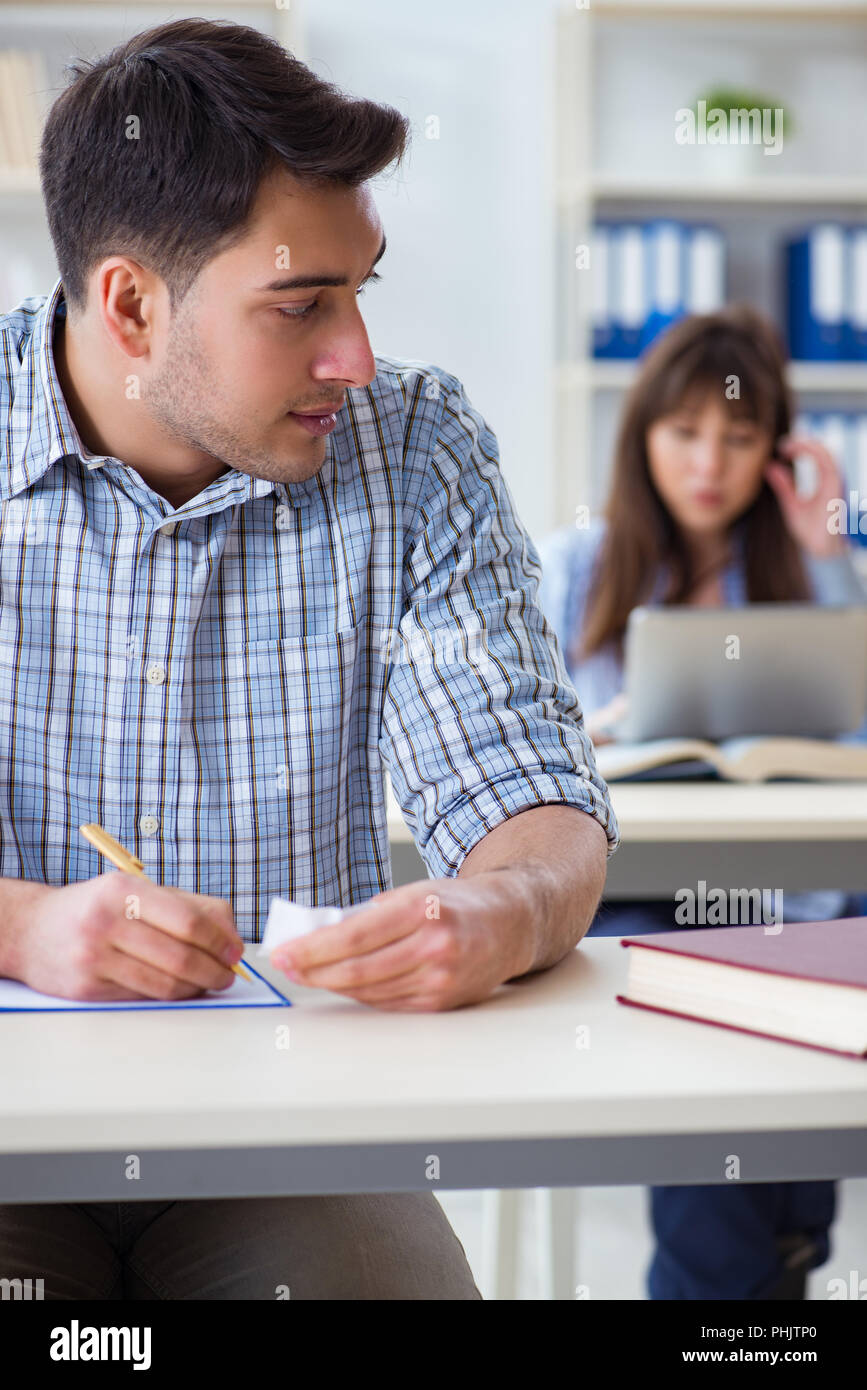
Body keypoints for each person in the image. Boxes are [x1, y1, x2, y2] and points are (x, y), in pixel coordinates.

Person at [0, 18, 618, 1300]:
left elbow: (531, 799)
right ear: (130, 303)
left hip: (294, 1129)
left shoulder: (418, 448)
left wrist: (498, 911)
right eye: (302, 305)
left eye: (360, 289)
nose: (357, 357)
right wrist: (21, 928)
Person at [537, 303, 867, 1301]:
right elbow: (519, 746)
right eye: (684, 433)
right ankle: (768, 1277)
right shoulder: (574, 570)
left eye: (737, 436)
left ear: (775, 448)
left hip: (787, 897)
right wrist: (592, 736)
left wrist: (830, 548)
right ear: (642, 438)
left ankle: (759, 1278)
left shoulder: (808, 572)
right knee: (721, 1013)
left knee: (799, 981)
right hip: (643, 898)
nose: (708, 463)